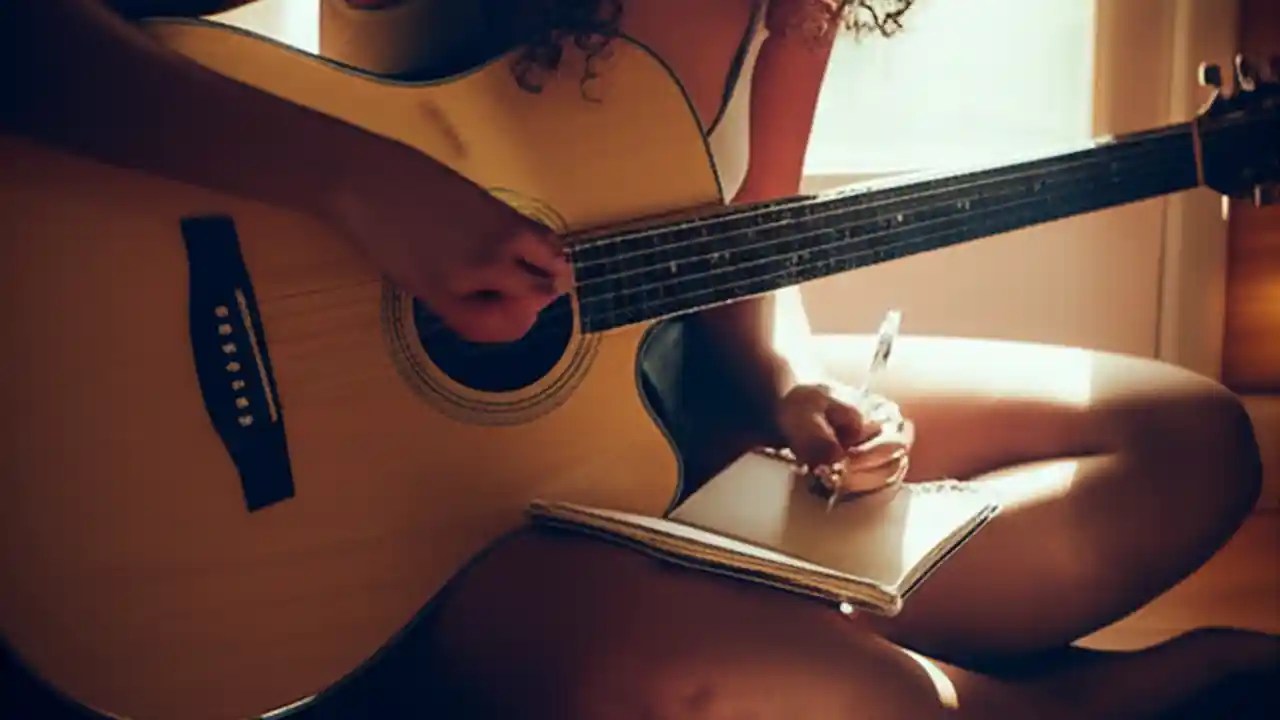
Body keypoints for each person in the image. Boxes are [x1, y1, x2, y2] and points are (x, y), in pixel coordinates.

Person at [2, 1, 1275, 718]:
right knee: (685, 683)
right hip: (447, 527)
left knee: (1189, 441)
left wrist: (791, 381)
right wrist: (358, 179)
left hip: (664, 430)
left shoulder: (793, 10)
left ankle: (767, 616)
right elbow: (37, 45)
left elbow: (753, 245)